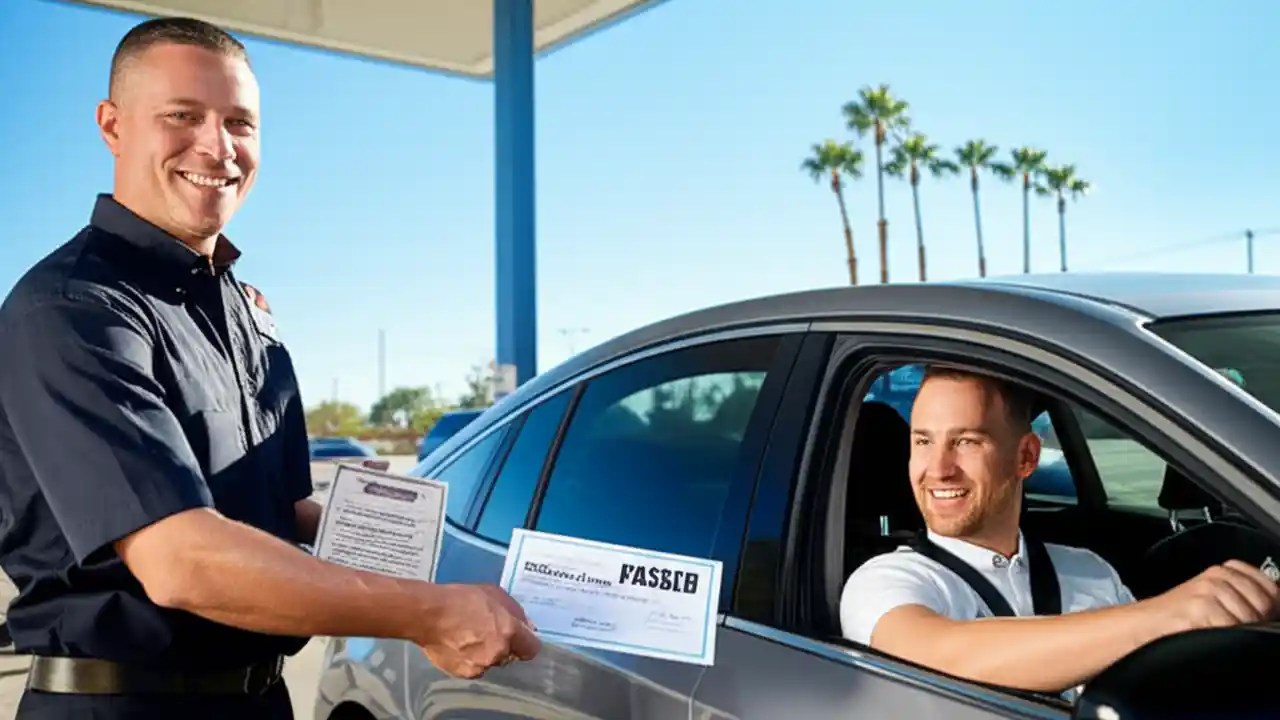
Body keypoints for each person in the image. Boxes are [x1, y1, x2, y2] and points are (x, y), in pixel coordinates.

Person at [0, 16, 538, 719]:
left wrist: (434, 541)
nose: (217, 147)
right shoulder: (74, 308)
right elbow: (180, 559)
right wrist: (428, 613)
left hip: (261, 697)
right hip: (123, 705)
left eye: (240, 123)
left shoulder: (245, 309)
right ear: (113, 126)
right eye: (183, 116)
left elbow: (283, 511)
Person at [839, 365, 1279, 694]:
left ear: (1027, 457)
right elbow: (941, 654)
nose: (938, 469)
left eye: (967, 442)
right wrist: (1171, 613)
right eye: (923, 441)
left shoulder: (1090, 571)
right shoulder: (886, 582)